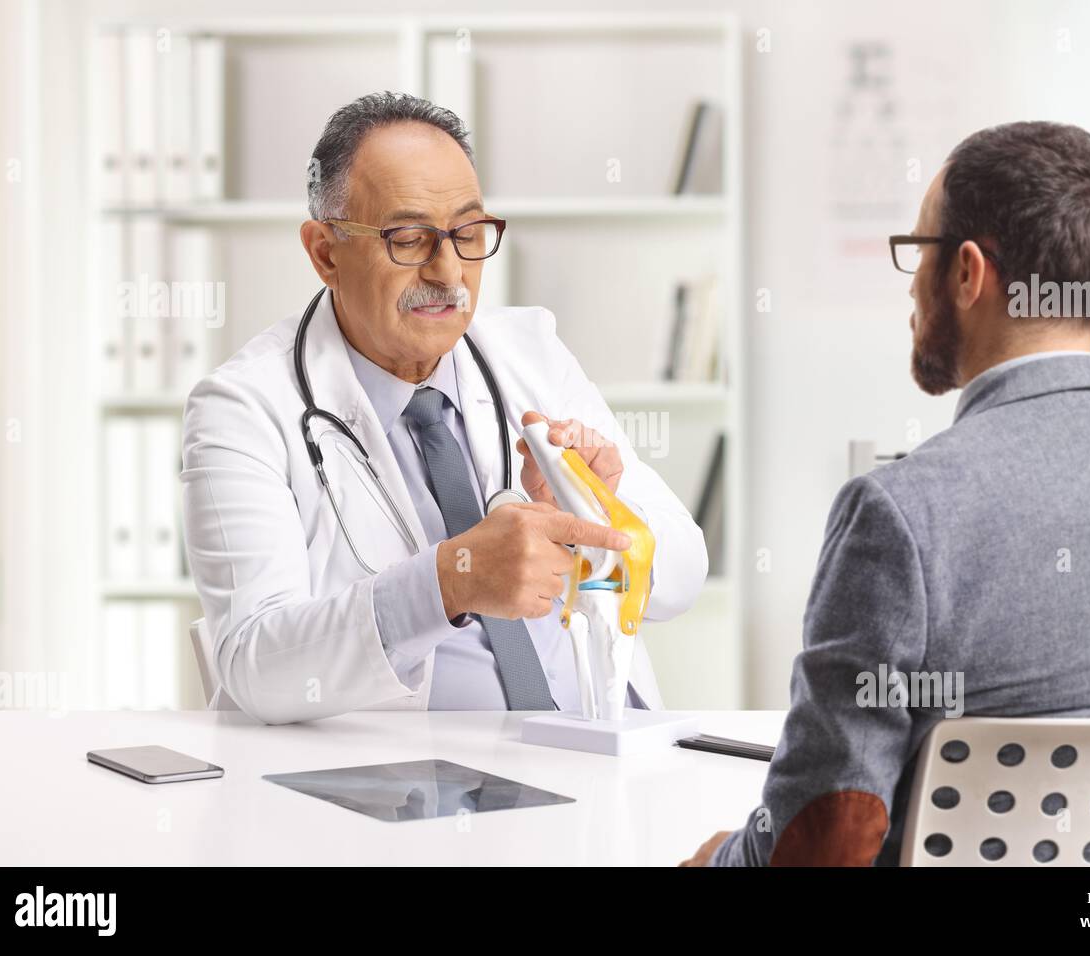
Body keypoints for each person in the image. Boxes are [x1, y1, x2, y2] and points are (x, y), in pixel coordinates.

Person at [686, 121, 1090, 866]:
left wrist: (718, 862)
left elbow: (824, 841)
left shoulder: (900, 516)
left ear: (966, 273)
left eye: (916, 253)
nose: (910, 286)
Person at [181, 92, 707, 724]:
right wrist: (448, 582)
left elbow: (683, 574)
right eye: (408, 238)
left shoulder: (530, 351)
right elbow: (255, 666)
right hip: (416, 790)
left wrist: (589, 516)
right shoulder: (243, 409)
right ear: (325, 252)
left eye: (467, 233)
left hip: (602, 747)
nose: (448, 271)